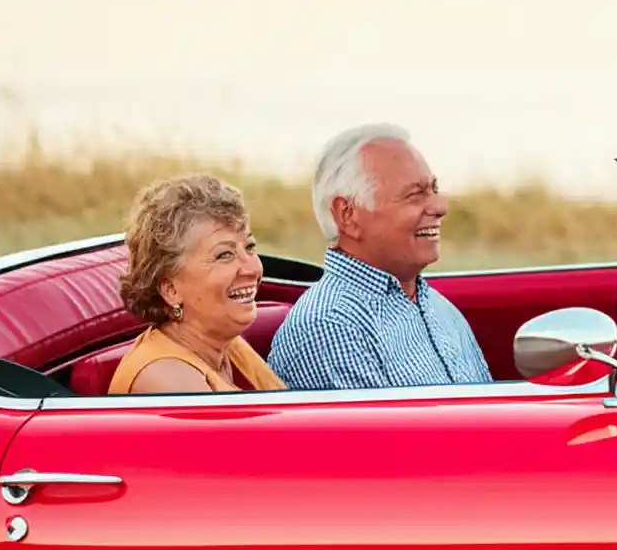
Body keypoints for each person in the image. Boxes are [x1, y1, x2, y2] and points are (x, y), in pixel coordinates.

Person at [268, 123, 492, 389]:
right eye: (414, 195)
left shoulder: (436, 306)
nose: (440, 207)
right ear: (348, 215)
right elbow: (389, 433)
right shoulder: (331, 327)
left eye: (434, 189)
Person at [110, 174, 287, 394]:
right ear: (171, 290)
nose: (252, 269)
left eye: (249, 247)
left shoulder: (228, 345)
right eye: (224, 255)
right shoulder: (164, 377)